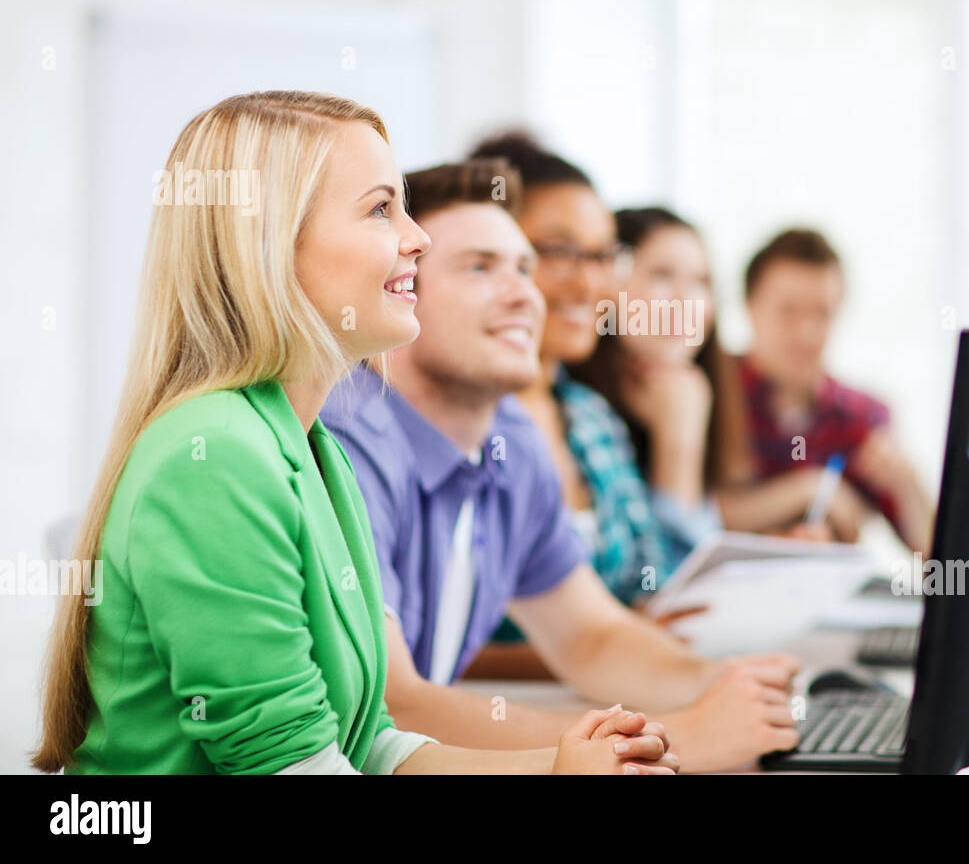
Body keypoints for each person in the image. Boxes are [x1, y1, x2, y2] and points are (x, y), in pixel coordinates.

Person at [32, 92, 674, 776]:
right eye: (380, 209)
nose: (417, 238)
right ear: (272, 243)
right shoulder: (215, 456)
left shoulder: (315, 452)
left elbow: (367, 744)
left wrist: (558, 767)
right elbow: (297, 769)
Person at [319, 160, 800, 773]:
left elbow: (592, 637)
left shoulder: (512, 438)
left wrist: (724, 686)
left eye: (523, 266)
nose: (527, 292)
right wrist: (682, 737)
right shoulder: (345, 434)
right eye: (479, 268)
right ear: (401, 286)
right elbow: (390, 710)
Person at [468, 134, 716, 613]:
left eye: (602, 256)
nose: (588, 283)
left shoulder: (590, 418)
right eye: (559, 252)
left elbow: (659, 591)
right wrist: (622, 642)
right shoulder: (458, 422)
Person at [569, 207, 860, 540]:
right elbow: (665, 576)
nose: (684, 300)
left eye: (701, 282)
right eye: (662, 275)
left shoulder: (694, 391)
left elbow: (693, 553)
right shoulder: (578, 414)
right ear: (609, 284)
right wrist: (678, 438)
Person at [739, 228, 935, 556]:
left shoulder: (863, 418)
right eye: (788, 311)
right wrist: (809, 489)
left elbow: (941, 564)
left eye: (822, 313)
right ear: (750, 307)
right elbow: (686, 514)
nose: (807, 333)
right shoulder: (711, 396)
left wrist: (907, 485)